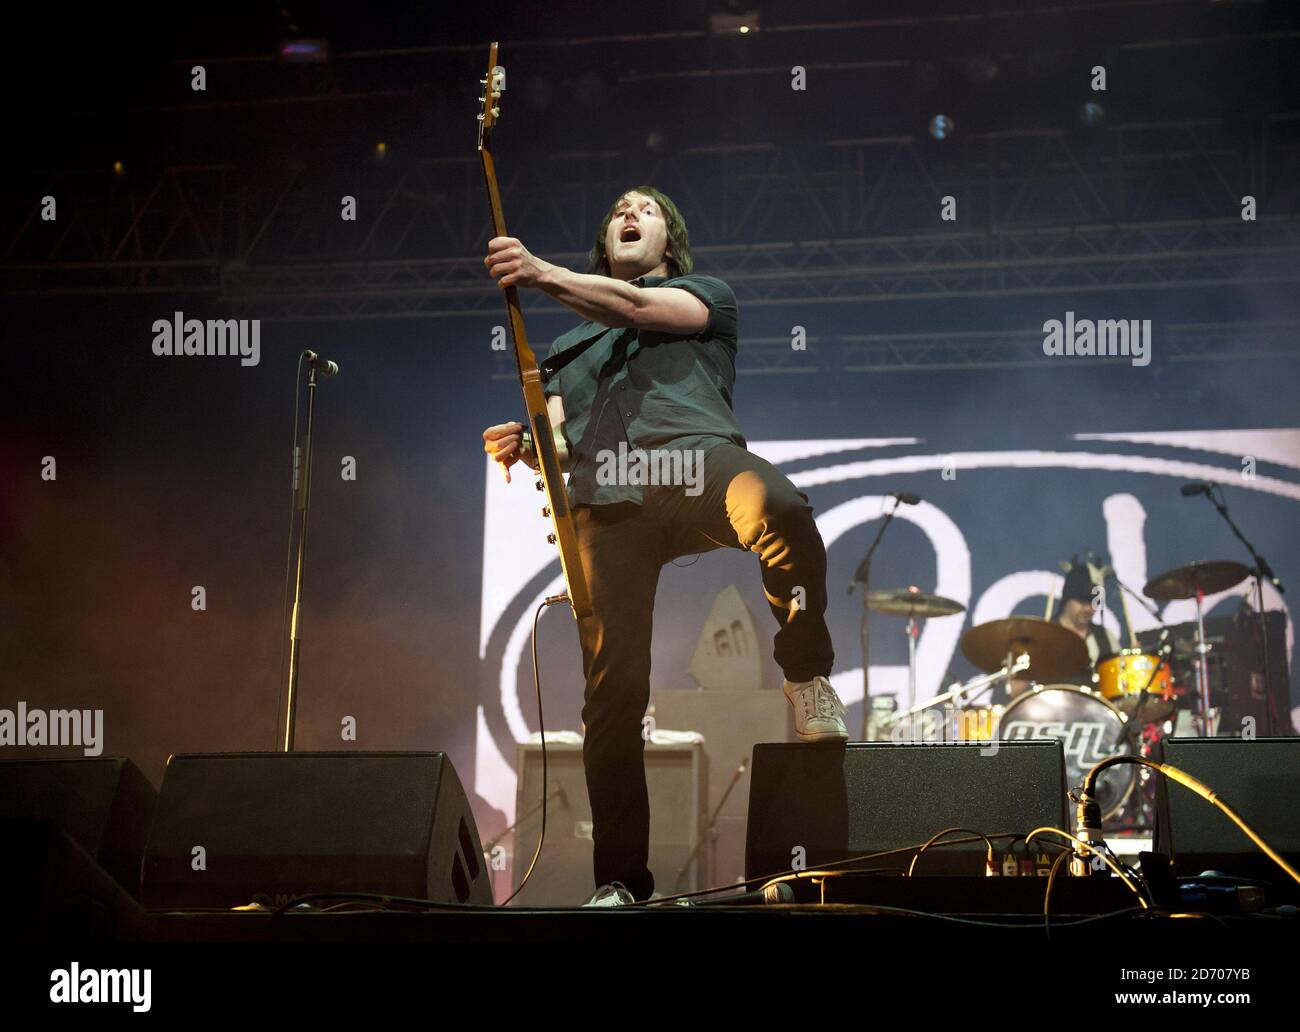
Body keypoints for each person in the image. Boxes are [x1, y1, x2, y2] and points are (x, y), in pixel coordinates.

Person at [481, 186, 847, 905]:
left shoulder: (701, 294)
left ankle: (804, 672)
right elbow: (558, 436)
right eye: (617, 207)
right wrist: (527, 444)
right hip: (610, 502)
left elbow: (641, 309)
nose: (627, 213)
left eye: (644, 209)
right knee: (611, 696)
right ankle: (621, 882)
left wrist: (540, 273)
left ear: (668, 242)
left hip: (693, 462)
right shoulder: (565, 346)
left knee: (777, 506)